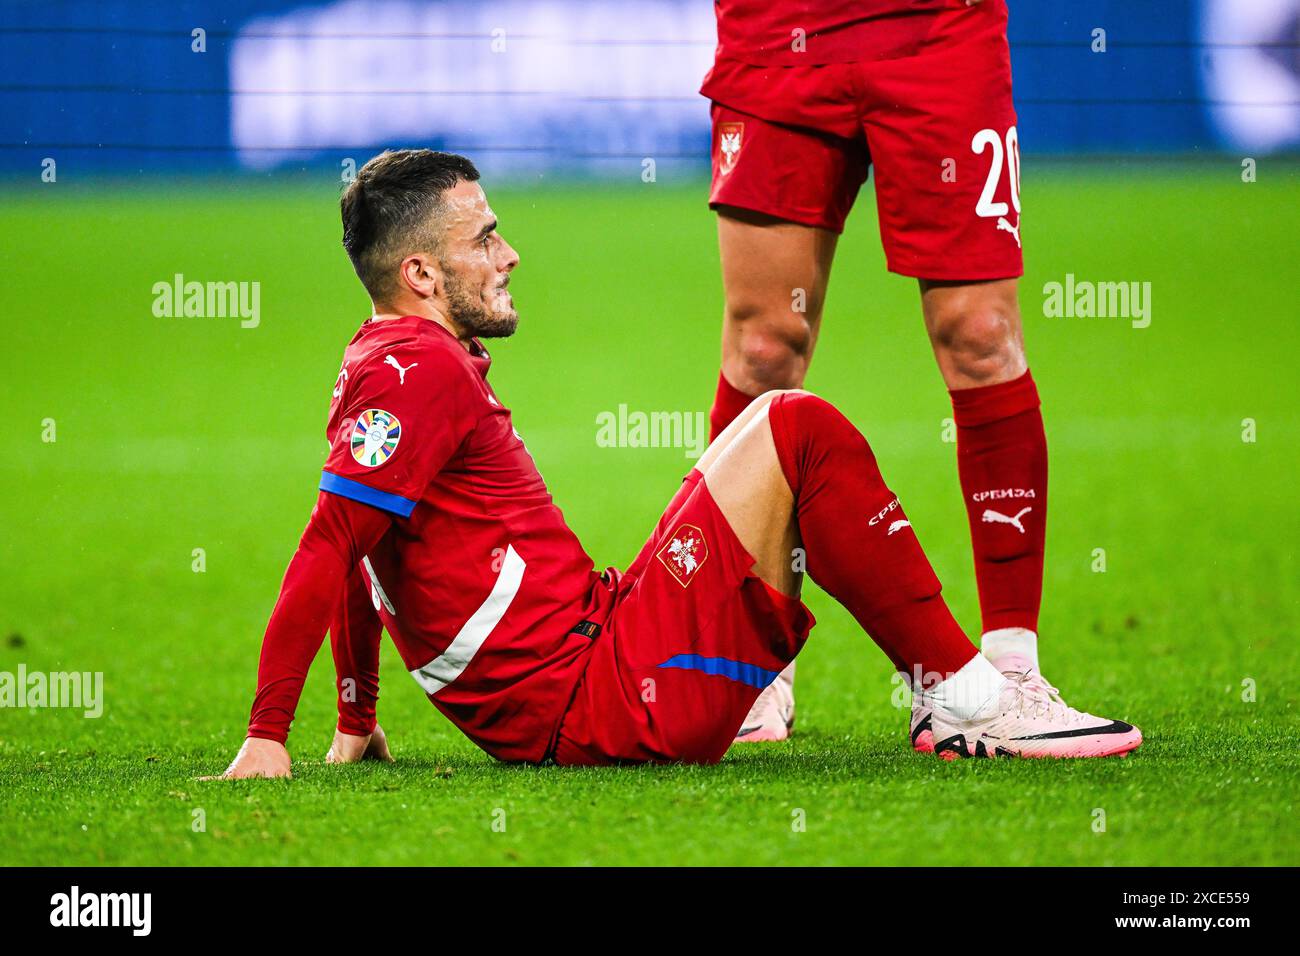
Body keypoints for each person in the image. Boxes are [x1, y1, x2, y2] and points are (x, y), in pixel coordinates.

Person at [210, 149, 1140, 780]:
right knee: (798, 427)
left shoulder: (383, 361)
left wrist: (355, 717)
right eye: (484, 238)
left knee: (775, 436)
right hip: (594, 701)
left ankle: (862, 694)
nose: (510, 252)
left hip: (602, 644)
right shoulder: (421, 374)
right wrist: (265, 735)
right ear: (420, 274)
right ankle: (966, 700)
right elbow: (332, 546)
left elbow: (364, 540)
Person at [701, 0, 1053, 747]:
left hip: (938, 33)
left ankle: (1011, 669)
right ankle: (749, 669)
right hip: (778, 33)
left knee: (981, 333)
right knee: (765, 343)